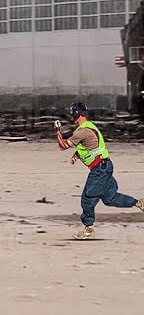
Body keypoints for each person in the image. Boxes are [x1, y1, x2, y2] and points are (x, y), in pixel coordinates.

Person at [55, 101, 144, 240]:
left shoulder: (82, 131)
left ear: (76, 114)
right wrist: (76, 155)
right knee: (110, 198)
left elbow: (63, 146)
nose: (71, 115)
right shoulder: (89, 127)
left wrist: (57, 131)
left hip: (99, 170)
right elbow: (91, 146)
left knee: (87, 197)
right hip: (105, 166)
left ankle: (88, 228)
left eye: (72, 113)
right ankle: (139, 203)